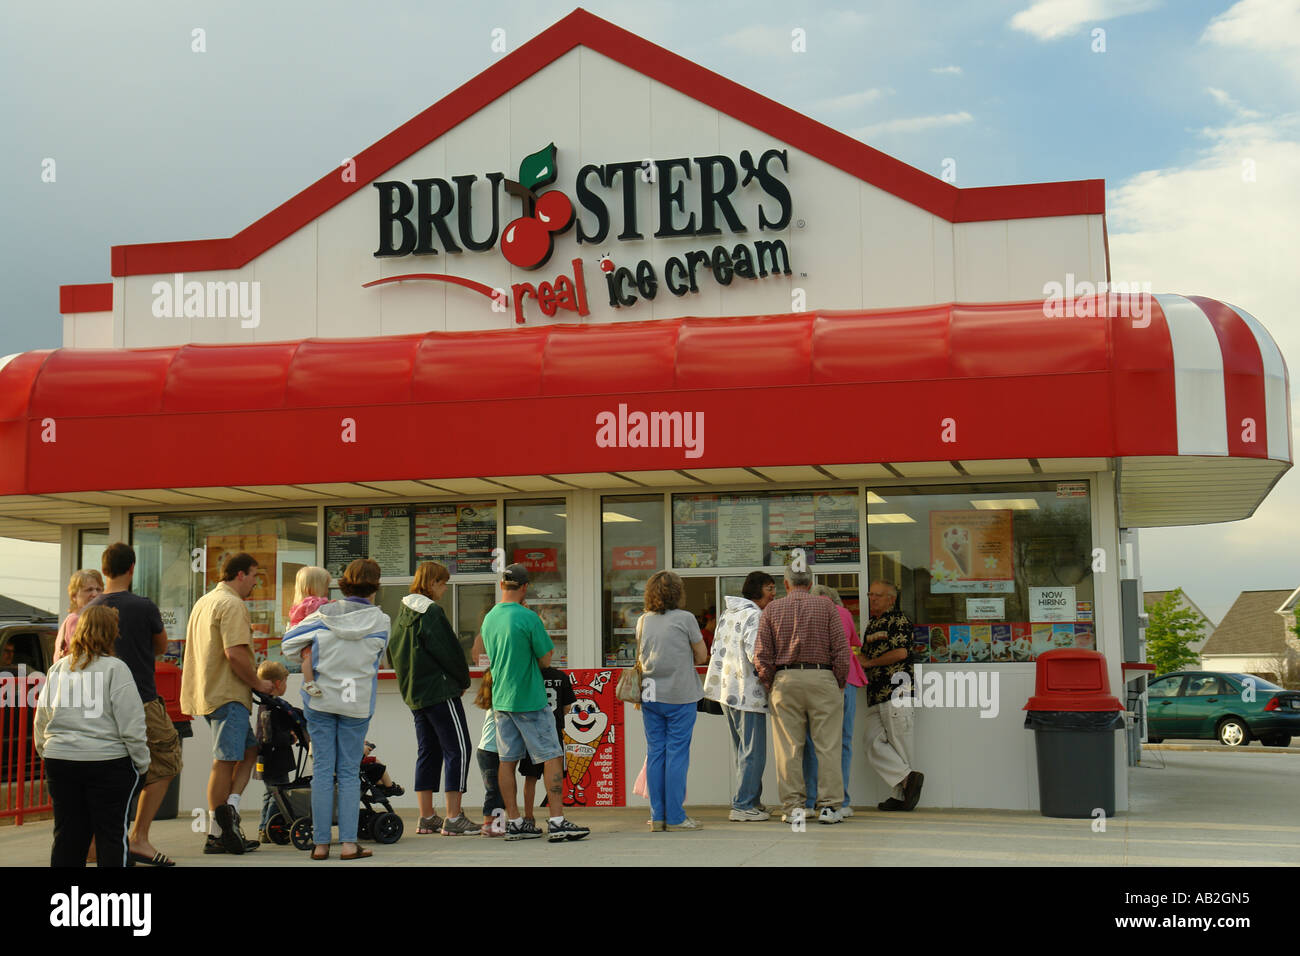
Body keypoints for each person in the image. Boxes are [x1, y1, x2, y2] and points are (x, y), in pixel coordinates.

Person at [281, 558, 389, 861]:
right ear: (376, 586)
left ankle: (320, 844)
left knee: (323, 772)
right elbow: (379, 655)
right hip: (356, 702)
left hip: (320, 699)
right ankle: (350, 844)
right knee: (349, 773)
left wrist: (313, 652)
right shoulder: (381, 621)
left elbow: (289, 643)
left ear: (343, 583)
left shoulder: (320, 614)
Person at [87, 542, 182, 866]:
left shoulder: (91, 607)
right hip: (141, 698)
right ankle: (138, 836)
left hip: (99, 703)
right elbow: (161, 646)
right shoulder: (143, 607)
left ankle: (97, 841)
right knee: (167, 761)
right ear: (132, 568)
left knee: (106, 769)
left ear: (104, 570)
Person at [34, 606, 151, 867]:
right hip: (107, 762)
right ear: (109, 633)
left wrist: (48, 751)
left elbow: (41, 719)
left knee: (68, 837)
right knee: (111, 835)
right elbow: (131, 724)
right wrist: (142, 763)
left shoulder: (60, 669)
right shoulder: (116, 669)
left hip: (60, 760)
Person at [480, 563, 589, 843]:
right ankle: (557, 821)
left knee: (507, 760)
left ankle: (514, 822)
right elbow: (546, 659)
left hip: (500, 700)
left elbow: (482, 652)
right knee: (552, 755)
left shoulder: (490, 617)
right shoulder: (528, 617)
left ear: (502, 586)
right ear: (525, 587)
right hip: (528, 698)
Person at [180, 552, 273, 856]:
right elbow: (235, 653)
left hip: (207, 690)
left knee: (248, 751)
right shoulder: (232, 604)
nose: (256, 584)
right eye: (254, 576)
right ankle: (217, 833)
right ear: (240, 574)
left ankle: (227, 815)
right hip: (227, 692)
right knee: (225, 760)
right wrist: (259, 683)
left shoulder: (205, 600)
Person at [754, 566, 849, 824]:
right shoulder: (827, 607)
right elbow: (841, 649)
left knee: (788, 749)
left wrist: (771, 682)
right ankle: (829, 807)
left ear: (786, 584)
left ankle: (795, 808)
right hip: (822, 678)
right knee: (828, 746)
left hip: (785, 681)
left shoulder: (772, 610)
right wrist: (839, 681)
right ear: (810, 582)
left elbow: (761, 654)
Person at [388, 561, 476, 836]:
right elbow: (448, 651)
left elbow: (393, 654)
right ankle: (453, 817)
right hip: (440, 691)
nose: (445, 589)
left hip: (415, 694)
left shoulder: (402, 612)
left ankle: (427, 816)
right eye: (443, 583)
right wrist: (462, 680)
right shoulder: (431, 612)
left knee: (428, 751)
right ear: (433, 582)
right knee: (458, 749)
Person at [638, 569, 709, 832]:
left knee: (656, 752)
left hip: (649, 694)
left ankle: (658, 816)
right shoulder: (686, 619)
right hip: (680, 694)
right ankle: (677, 817)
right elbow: (701, 656)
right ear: (677, 593)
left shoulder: (643, 620)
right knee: (677, 754)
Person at [702, 571, 776, 821]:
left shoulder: (728, 612)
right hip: (748, 693)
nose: (774, 593)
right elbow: (757, 654)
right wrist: (770, 680)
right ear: (756, 590)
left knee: (742, 752)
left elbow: (715, 648)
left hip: (726, 690)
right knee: (753, 752)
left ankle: (751, 800)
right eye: (769, 587)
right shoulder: (754, 615)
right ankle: (743, 805)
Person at [802, 584, 867, 816]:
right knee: (842, 741)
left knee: (811, 741)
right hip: (844, 681)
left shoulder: (803, 613)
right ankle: (841, 801)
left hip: (813, 680)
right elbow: (853, 645)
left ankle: (809, 801)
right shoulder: (843, 613)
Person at [859, 580, 923, 811]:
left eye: (877, 595)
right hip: (876, 694)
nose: (872, 599)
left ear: (891, 599)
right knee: (870, 742)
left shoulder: (899, 620)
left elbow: (901, 652)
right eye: (870, 594)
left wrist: (870, 663)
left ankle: (900, 797)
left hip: (898, 691)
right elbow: (862, 658)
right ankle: (907, 780)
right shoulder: (871, 624)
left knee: (901, 746)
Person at [520, 664, 576, 823]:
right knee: (555, 777)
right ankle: (556, 817)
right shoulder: (560, 676)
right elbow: (567, 707)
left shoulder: (527, 674)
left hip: (530, 732)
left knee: (530, 778)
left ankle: (529, 817)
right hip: (553, 731)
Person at [253, 660, 302, 843]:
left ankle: (263, 828)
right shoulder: (272, 708)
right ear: (277, 683)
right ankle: (268, 828)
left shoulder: (266, 705)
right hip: (274, 759)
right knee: (279, 794)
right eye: (285, 682)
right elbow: (269, 736)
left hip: (265, 759)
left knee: (270, 794)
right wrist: (290, 738)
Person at [289, 566, 331, 697]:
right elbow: (321, 611)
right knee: (309, 656)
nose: (327, 590)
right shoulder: (312, 603)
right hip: (305, 639)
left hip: (306, 636)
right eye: (325, 586)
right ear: (311, 588)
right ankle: (309, 681)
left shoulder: (302, 603)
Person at [53, 569, 104, 663]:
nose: (95, 594)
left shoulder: (77, 619)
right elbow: (83, 658)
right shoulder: (76, 620)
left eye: (98, 589)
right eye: (89, 590)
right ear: (74, 596)